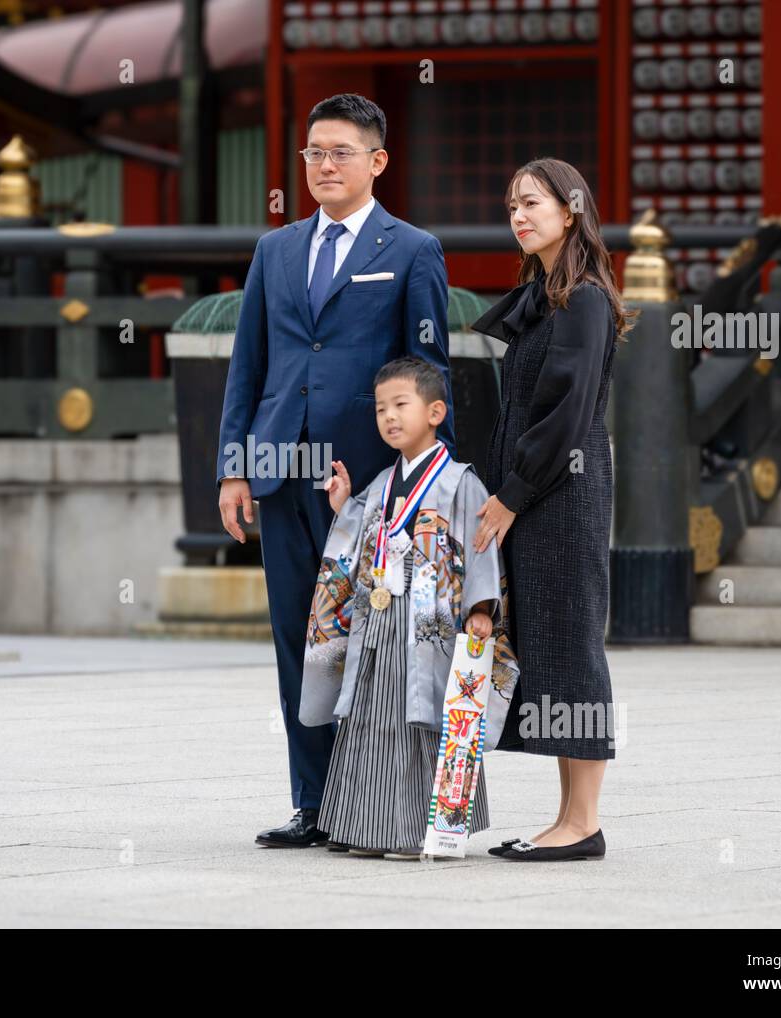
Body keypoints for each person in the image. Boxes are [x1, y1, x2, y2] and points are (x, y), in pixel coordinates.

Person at [216, 94, 456, 849]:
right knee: (299, 636)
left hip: (373, 482)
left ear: (377, 161)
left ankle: (370, 801)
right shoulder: (275, 250)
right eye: (313, 152)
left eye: (341, 151)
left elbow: (429, 370)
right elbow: (249, 366)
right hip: (283, 471)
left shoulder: (412, 250)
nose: (323, 165)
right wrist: (235, 468)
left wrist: (419, 479)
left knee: (374, 637)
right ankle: (312, 802)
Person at [469, 158, 636, 863]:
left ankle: (585, 822)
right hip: (535, 495)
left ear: (570, 211)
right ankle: (569, 818)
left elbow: (564, 416)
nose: (519, 215)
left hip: (560, 494)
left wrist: (510, 494)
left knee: (572, 646)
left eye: (532, 202)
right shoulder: (547, 295)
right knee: (549, 646)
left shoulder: (586, 299)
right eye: (511, 205)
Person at [299, 357, 517, 859]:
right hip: (378, 620)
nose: (389, 418)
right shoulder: (381, 482)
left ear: (436, 411)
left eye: (401, 405)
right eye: (381, 409)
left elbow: (479, 545)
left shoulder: (460, 483)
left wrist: (481, 607)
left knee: (421, 716)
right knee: (371, 715)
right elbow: (368, 539)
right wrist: (346, 508)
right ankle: (366, 826)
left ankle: (418, 831)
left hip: (429, 624)